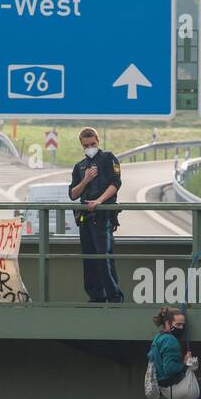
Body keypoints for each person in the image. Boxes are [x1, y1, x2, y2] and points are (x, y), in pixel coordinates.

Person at [69, 127, 124, 303]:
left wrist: (99, 201)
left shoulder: (108, 158)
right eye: (86, 145)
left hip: (103, 217)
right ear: (81, 146)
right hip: (85, 218)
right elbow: (73, 194)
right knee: (89, 259)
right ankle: (95, 298)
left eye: (92, 144)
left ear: (98, 142)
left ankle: (114, 297)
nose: (90, 147)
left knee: (103, 257)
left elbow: (116, 183)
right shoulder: (79, 167)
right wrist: (86, 180)